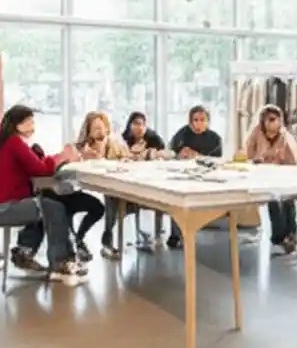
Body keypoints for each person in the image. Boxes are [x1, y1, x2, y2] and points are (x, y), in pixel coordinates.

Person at [0, 105, 87, 285]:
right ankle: (61, 264)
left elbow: (35, 164)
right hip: (1, 208)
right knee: (53, 208)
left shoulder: (7, 142)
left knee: (44, 205)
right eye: (28, 122)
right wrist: (63, 156)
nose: (33, 126)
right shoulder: (15, 143)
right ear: (17, 125)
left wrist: (58, 158)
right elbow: (41, 169)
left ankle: (25, 253)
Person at [244, 104, 297, 256]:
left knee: (288, 202)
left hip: (284, 176)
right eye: (269, 119)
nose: (273, 123)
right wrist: (257, 160)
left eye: (276, 119)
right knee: (273, 203)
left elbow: (295, 160)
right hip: (264, 176)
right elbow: (247, 154)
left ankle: (291, 236)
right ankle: (278, 239)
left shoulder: (286, 136)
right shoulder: (256, 133)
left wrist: (280, 161)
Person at [68, 111, 127, 260]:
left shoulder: (113, 144)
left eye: (102, 128)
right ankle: (77, 240)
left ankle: (107, 241)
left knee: (112, 198)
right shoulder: (80, 148)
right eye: (96, 128)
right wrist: (84, 156)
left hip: (109, 184)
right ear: (88, 130)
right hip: (80, 187)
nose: (100, 132)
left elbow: (126, 159)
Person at [166, 105, 224, 249]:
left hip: (206, 177)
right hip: (182, 174)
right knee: (176, 198)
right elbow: (171, 151)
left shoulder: (215, 138)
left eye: (202, 120)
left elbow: (216, 160)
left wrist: (197, 156)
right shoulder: (183, 133)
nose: (198, 124)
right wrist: (179, 155)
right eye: (195, 120)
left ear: (208, 121)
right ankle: (176, 234)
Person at [119, 111, 167, 252]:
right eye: (135, 124)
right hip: (129, 179)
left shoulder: (153, 138)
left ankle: (156, 234)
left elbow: (163, 155)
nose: (139, 127)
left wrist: (149, 154)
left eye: (142, 124)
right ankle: (140, 234)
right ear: (129, 125)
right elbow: (120, 157)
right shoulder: (124, 139)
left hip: (152, 179)